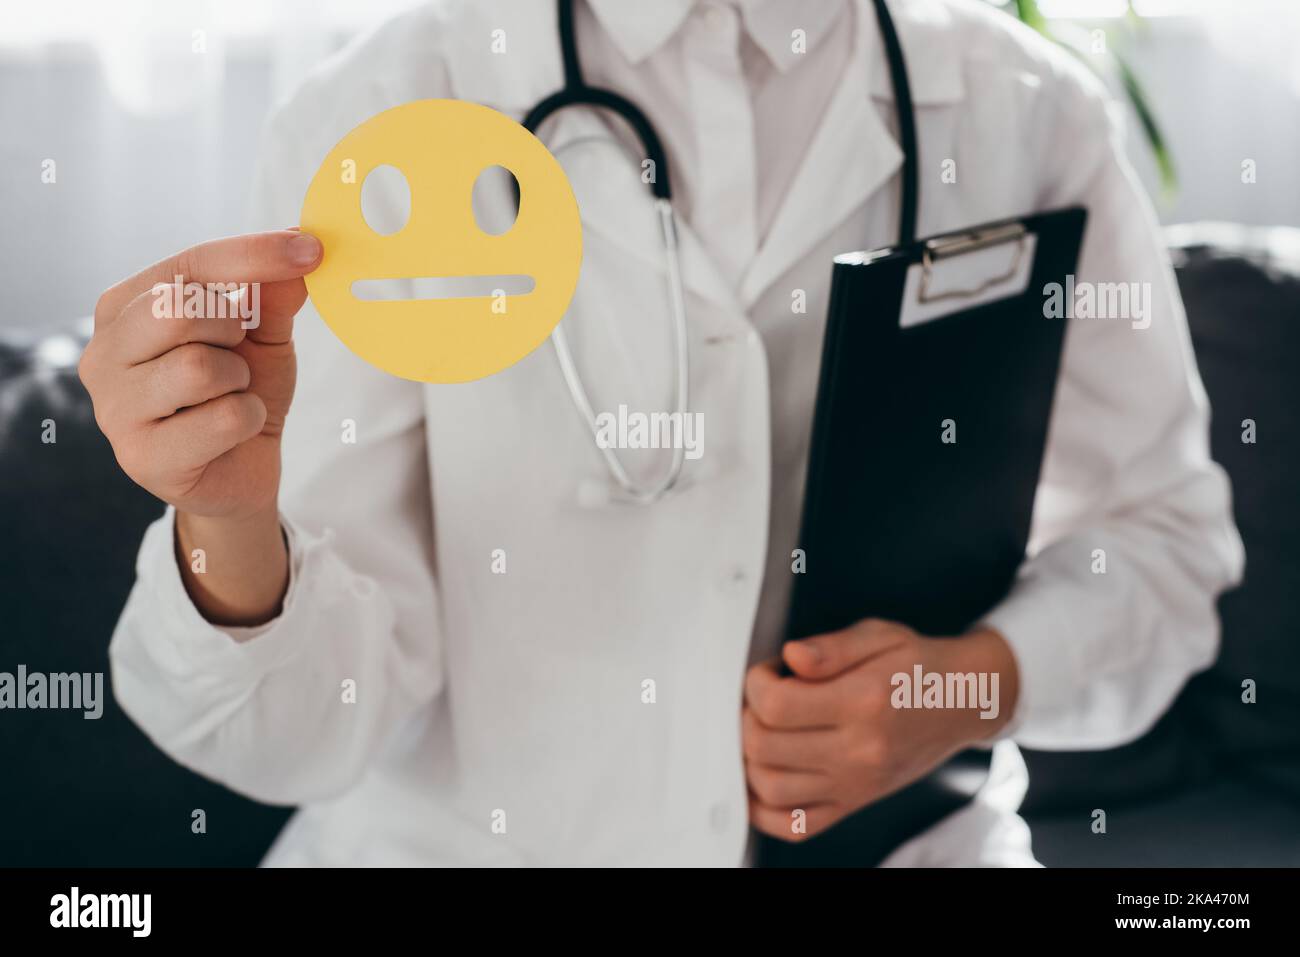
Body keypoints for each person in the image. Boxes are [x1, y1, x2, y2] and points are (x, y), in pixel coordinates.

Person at [81, 0, 1243, 866]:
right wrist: (227, 519)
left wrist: (970, 687)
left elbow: (1164, 546)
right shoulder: (382, 114)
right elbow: (303, 728)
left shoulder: (1029, 112)